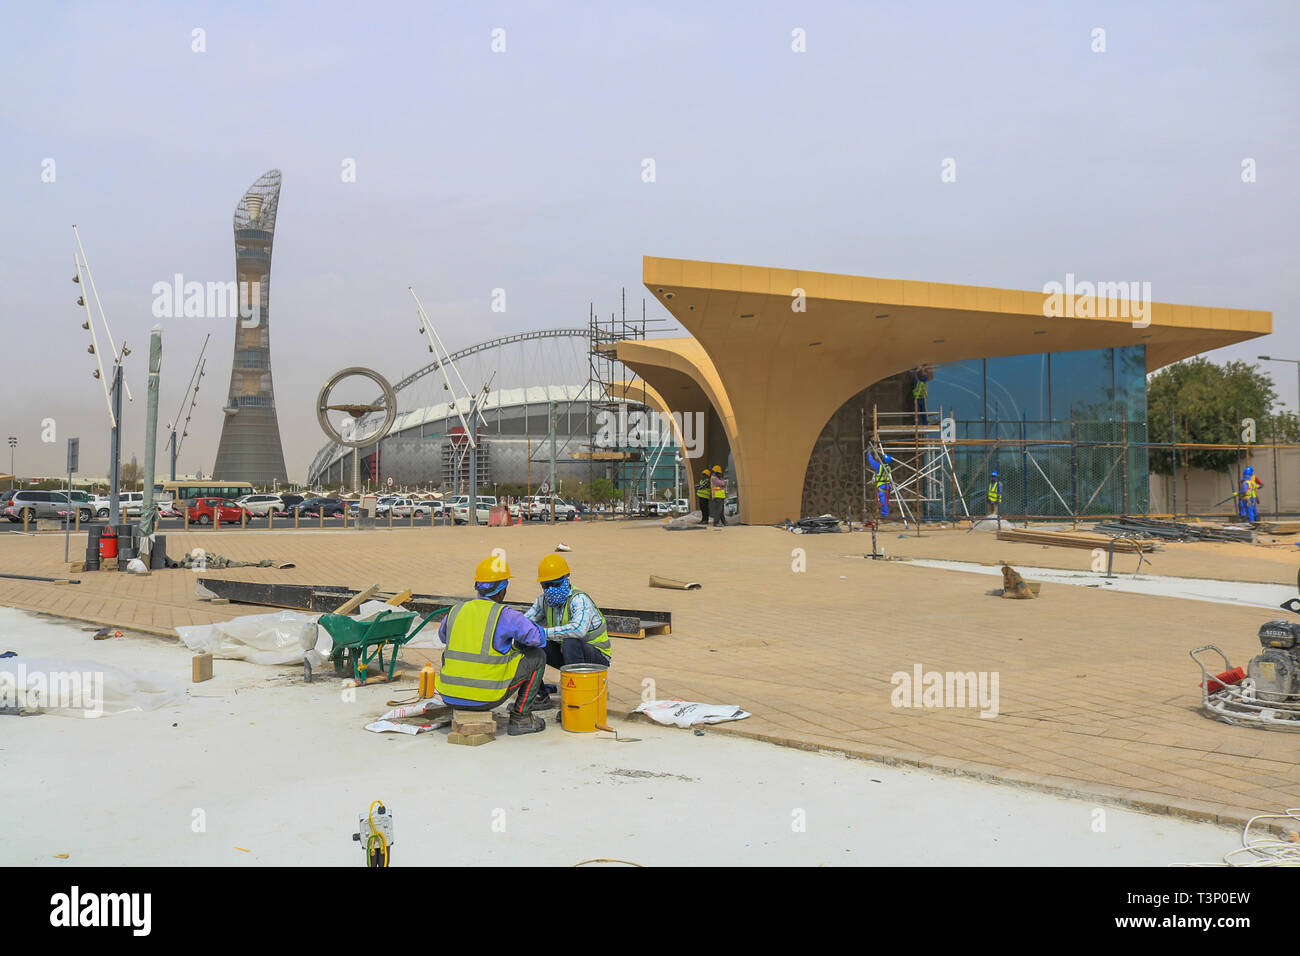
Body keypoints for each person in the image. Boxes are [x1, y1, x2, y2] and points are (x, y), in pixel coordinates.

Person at [433, 555, 550, 735]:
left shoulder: (456, 611)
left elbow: (443, 637)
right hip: (486, 697)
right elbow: (537, 639)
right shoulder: (506, 615)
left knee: (447, 654)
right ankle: (521, 718)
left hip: (449, 696)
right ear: (502, 590)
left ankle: (460, 697)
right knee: (537, 656)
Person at [526, 554, 612, 670]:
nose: (551, 589)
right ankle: (536, 686)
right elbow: (524, 622)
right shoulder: (543, 601)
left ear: (566, 579)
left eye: (556, 584)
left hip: (597, 656)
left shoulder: (579, 600)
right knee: (531, 641)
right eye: (546, 585)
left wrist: (542, 633)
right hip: (567, 653)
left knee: (570, 642)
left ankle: (576, 686)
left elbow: (578, 630)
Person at [866, 448, 893, 517]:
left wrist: (869, 453)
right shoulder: (888, 467)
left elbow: (871, 461)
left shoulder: (879, 466)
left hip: (881, 485)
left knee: (883, 500)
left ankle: (884, 514)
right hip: (887, 485)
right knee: (886, 500)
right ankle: (885, 513)